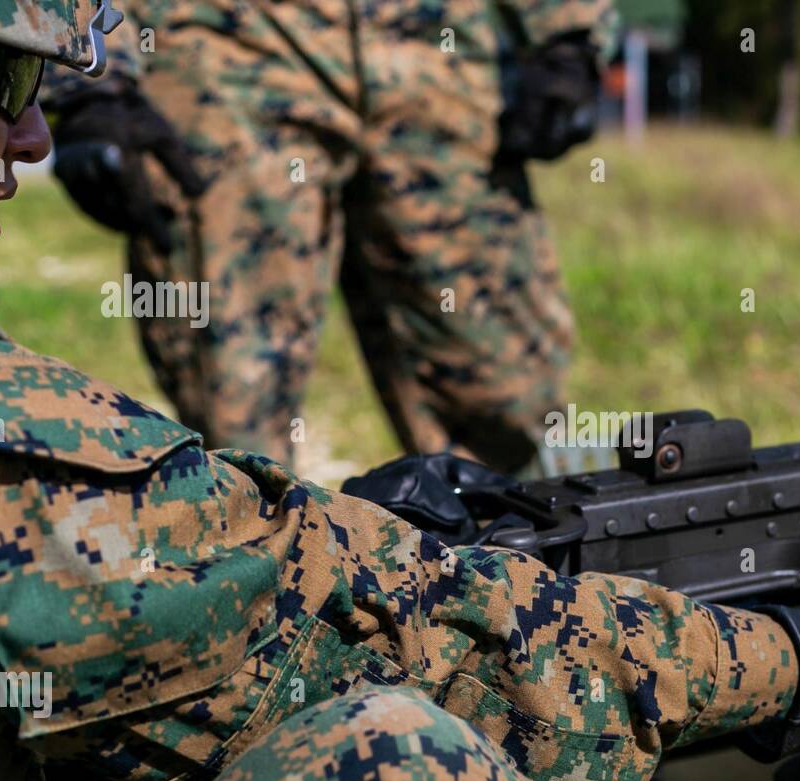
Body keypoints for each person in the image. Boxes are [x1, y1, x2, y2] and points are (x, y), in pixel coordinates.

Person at [0, 0, 800, 781]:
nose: (32, 134)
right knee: (393, 757)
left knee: (497, 404)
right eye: (0, 84)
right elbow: (329, 624)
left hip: (425, 54)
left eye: (39, 90)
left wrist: (565, 32)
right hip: (232, 68)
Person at [41, 0, 617, 474]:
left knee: (506, 393)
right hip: (226, 58)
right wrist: (92, 79)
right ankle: (264, 586)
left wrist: (570, 32)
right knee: (238, 406)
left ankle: (517, 589)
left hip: (436, 57)